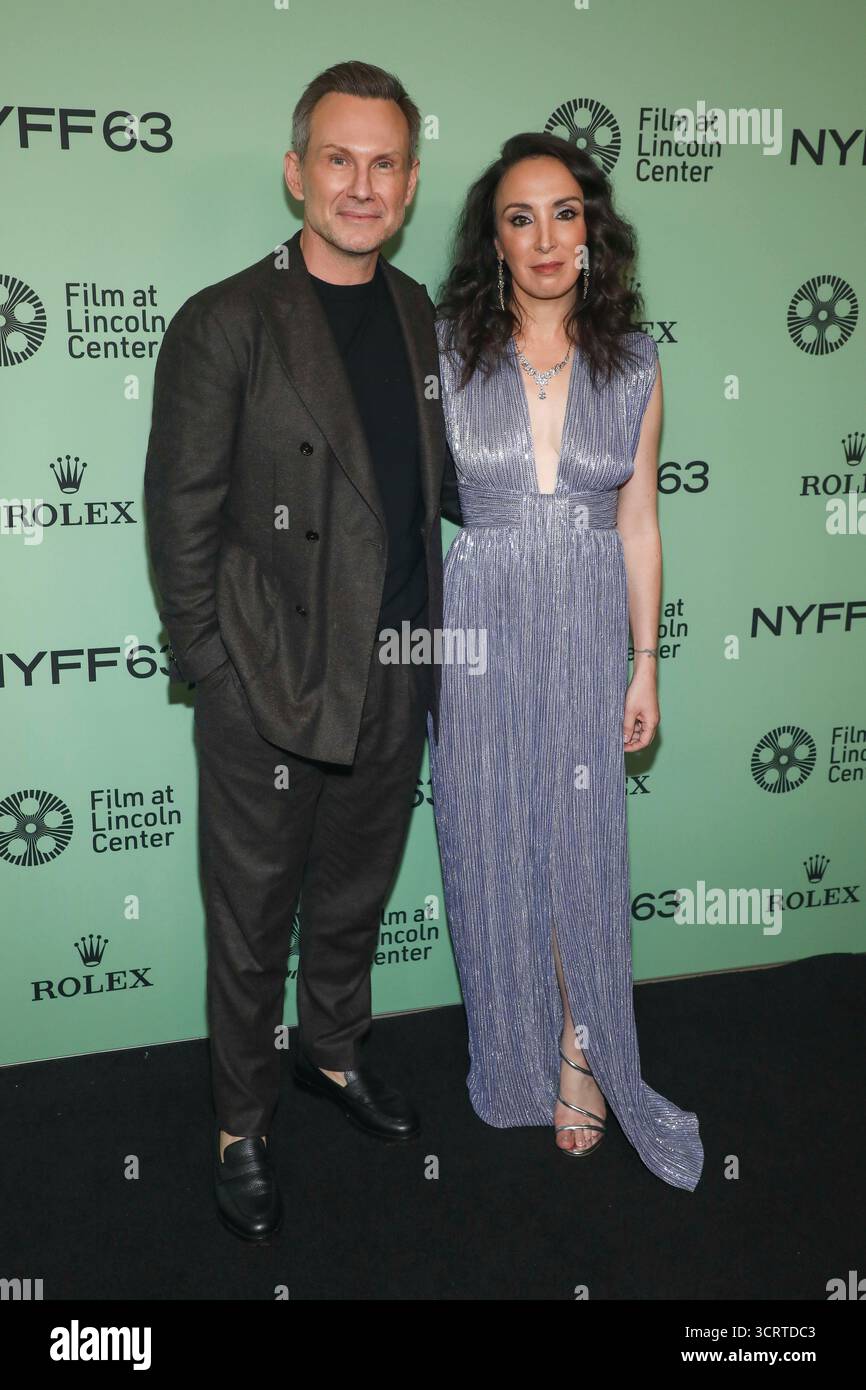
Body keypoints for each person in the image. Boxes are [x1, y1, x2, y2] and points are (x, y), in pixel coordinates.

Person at [144, 60, 462, 1242]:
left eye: (384, 164)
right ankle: (239, 1124)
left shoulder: (420, 312)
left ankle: (331, 1052)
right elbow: (179, 517)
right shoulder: (225, 318)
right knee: (249, 920)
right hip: (267, 684)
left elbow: (440, 488)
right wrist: (218, 677)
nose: (360, 184)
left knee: (351, 894)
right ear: (296, 171)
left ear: (411, 181)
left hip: (393, 670)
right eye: (338, 158)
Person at [428, 132, 704, 1191]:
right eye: (517, 217)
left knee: (582, 847)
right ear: (492, 239)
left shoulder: (632, 362)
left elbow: (638, 523)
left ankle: (584, 1054)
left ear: (591, 229)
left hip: (590, 615)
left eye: (563, 213)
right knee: (487, 837)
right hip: (480, 614)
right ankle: (510, 1056)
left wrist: (645, 664)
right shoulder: (445, 349)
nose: (544, 238)